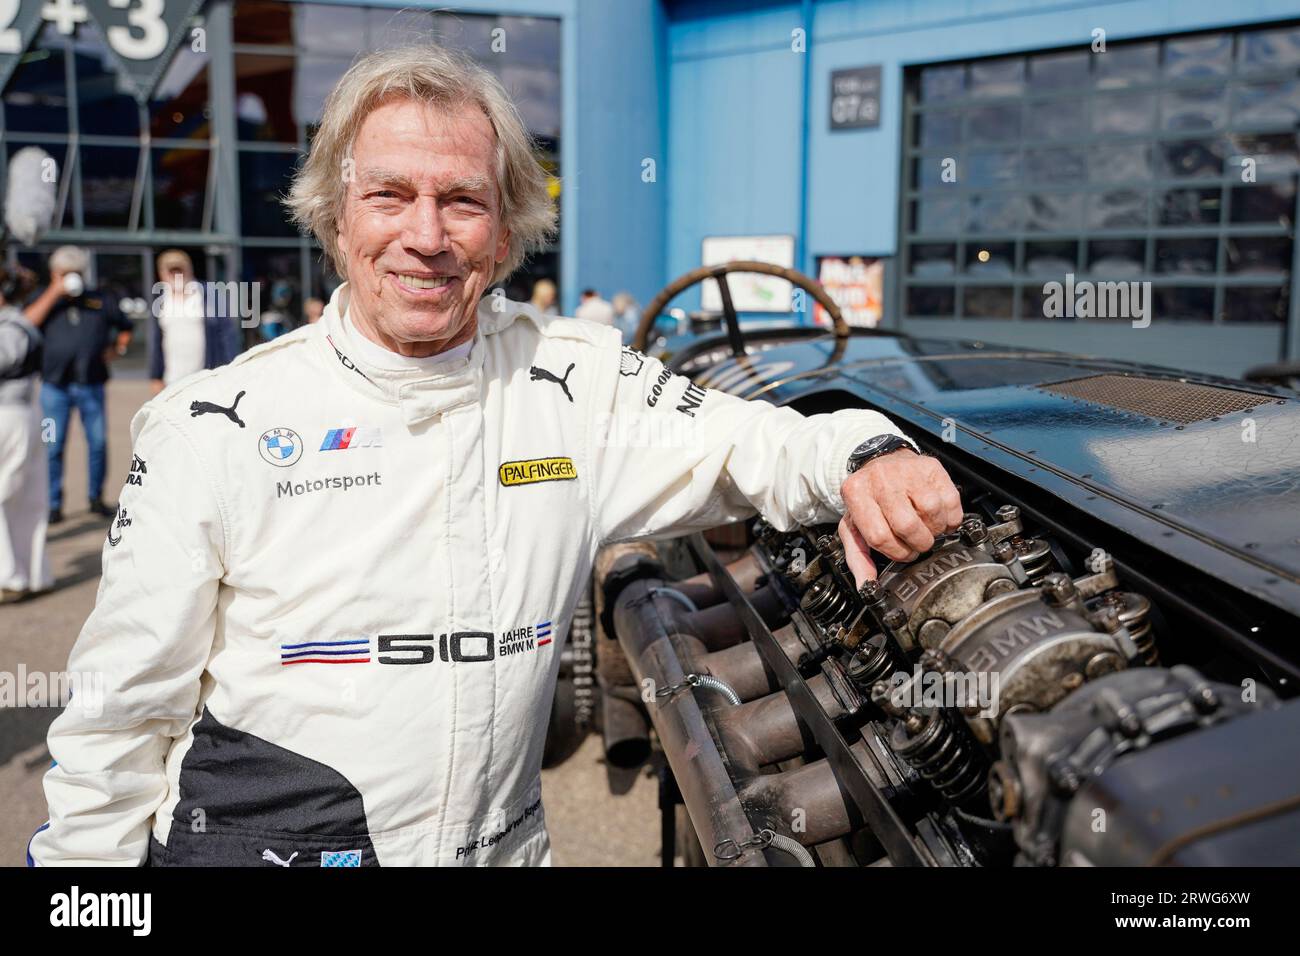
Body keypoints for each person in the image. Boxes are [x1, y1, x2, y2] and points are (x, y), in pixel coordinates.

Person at [29, 45, 960, 867]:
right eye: (389, 196)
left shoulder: (575, 380)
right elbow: (118, 719)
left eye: (462, 201)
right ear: (335, 219)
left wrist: (869, 452)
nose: (426, 236)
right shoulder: (212, 424)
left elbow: (759, 438)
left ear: (506, 231)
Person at [24, 246, 132, 524]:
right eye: (66, 274)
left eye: (77, 273)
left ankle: (96, 498)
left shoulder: (99, 299)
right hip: (53, 388)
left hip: (91, 385)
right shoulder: (43, 299)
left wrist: (117, 349)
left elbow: (124, 325)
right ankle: (53, 503)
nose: (73, 278)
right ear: (54, 273)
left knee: (97, 442)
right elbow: (25, 323)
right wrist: (54, 293)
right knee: (51, 445)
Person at [0, 264, 53, 604]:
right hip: (22, 412)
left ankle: (9, 576)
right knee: (28, 498)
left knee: (10, 497)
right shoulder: (18, 322)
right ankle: (33, 574)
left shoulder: (9, 326)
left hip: (8, 413)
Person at [148, 249, 241, 396]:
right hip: (172, 380)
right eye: (171, 271)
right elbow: (156, 341)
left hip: (206, 377)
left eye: (180, 270)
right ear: (162, 274)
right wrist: (155, 376)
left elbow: (227, 334)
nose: (176, 276)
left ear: (189, 269)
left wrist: (230, 369)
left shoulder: (208, 294)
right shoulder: (160, 300)